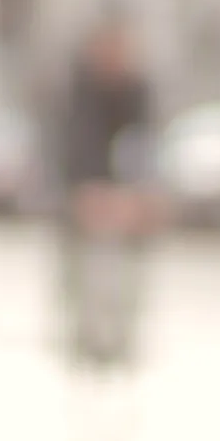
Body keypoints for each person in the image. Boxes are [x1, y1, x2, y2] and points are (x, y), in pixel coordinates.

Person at [53, 19, 156, 377]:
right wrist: (89, 192)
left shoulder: (137, 92)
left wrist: (136, 194)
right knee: (85, 272)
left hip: (123, 205)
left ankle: (121, 340)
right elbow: (74, 149)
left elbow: (144, 146)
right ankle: (85, 343)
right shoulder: (78, 93)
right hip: (83, 203)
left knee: (125, 273)